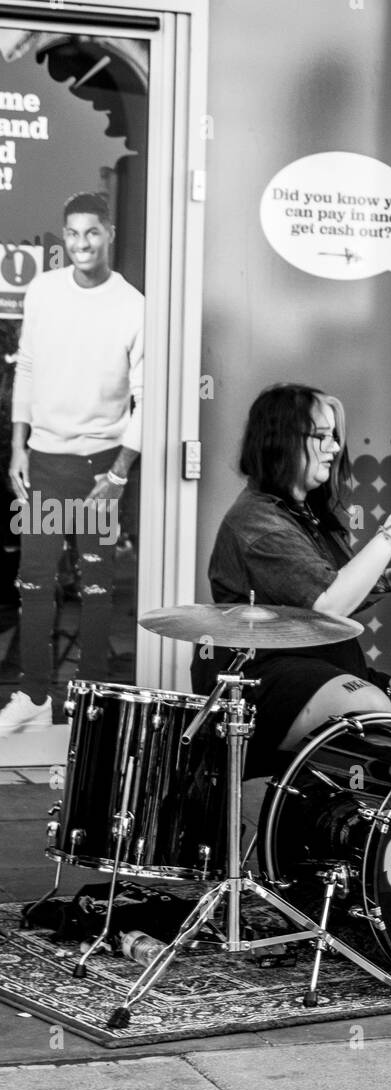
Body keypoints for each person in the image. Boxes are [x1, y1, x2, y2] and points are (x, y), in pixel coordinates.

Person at [194, 383, 391, 772]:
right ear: (283, 441)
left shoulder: (304, 513)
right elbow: (328, 603)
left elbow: (323, 588)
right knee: (369, 707)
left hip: (318, 667)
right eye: (322, 437)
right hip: (262, 680)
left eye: (334, 437)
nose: (335, 448)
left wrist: (385, 580)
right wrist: (388, 538)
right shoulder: (260, 522)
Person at [4, 191, 143, 735]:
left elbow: (146, 398)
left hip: (95, 467)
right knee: (34, 580)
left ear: (109, 233)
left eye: (92, 232)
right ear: (65, 237)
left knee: (94, 584)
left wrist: (118, 474)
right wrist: (19, 443)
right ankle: (34, 695)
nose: (82, 243)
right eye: (73, 233)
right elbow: (29, 368)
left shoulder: (134, 306)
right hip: (44, 459)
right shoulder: (44, 291)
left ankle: (95, 703)